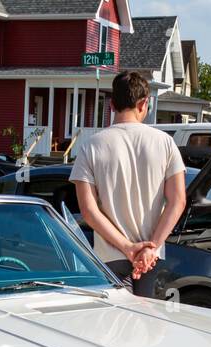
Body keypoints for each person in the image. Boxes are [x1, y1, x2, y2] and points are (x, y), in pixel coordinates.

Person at [69, 71, 186, 295]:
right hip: (152, 259)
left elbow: (88, 211)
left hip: (110, 256)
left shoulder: (91, 146)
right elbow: (177, 201)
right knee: (148, 324)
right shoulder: (165, 143)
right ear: (144, 103)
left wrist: (127, 247)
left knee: (117, 325)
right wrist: (151, 247)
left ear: (112, 104)